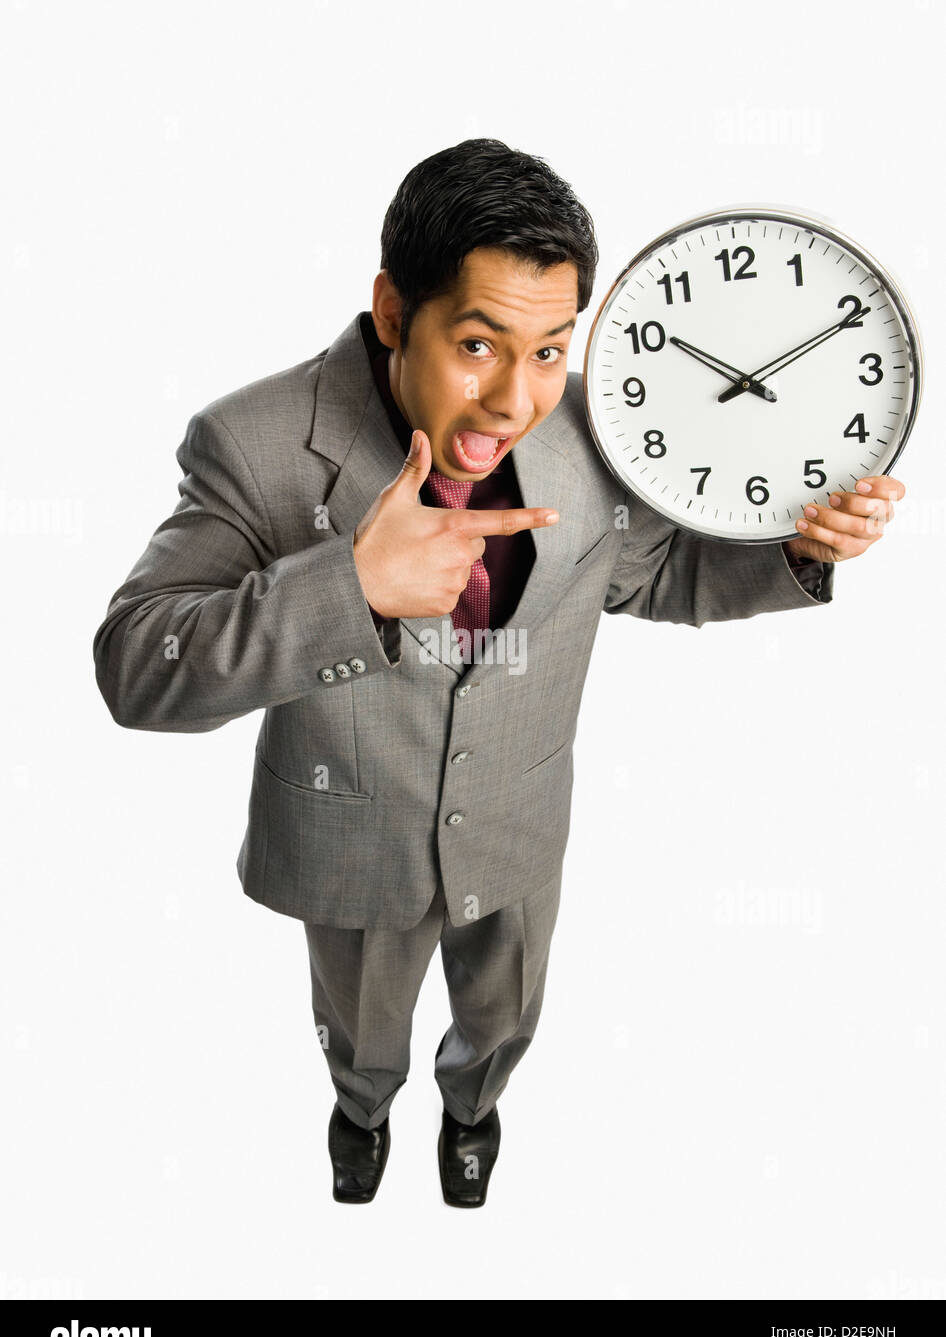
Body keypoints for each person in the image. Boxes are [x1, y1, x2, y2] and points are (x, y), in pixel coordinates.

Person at [92, 138, 903, 1207]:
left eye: (549, 350)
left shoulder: (593, 420)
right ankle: (363, 1112)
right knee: (363, 1027)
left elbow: (645, 572)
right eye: (477, 344)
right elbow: (135, 666)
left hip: (519, 819)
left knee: (503, 1014)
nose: (515, 398)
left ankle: (472, 1112)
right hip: (351, 833)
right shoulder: (257, 443)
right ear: (392, 311)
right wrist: (353, 587)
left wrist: (800, 550)